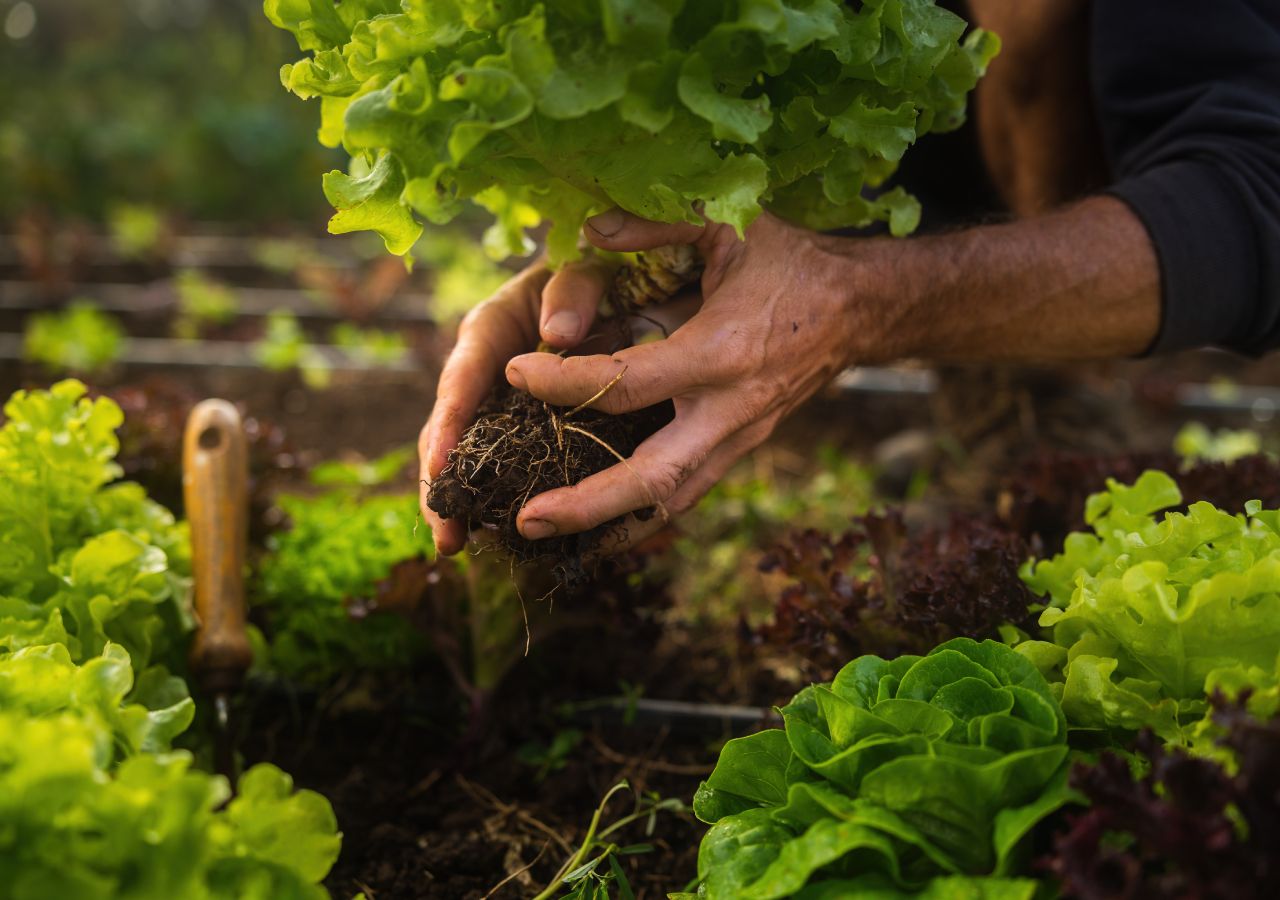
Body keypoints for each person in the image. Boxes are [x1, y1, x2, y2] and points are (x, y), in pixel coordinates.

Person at [420, 0, 1280, 558]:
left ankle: (1044, 407)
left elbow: (1258, 191)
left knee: (1028, 20)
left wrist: (857, 299)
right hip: (941, 168)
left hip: (1110, 141)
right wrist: (637, 270)